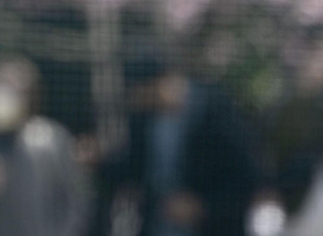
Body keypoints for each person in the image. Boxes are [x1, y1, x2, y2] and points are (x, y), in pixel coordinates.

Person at [108, 55, 255, 236]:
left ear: (161, 83)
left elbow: (246, 177)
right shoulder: (146, 120)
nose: (140, 103)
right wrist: (100, 160)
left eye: (143, 94)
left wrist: (203, 208)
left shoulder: (215, 112)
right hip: (159, 225)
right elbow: (134, 168)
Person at [0, 57, 89, 236]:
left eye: (11, 89)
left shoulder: (50, 140)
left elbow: (75, 202)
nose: (1, 96)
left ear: (29, 95)